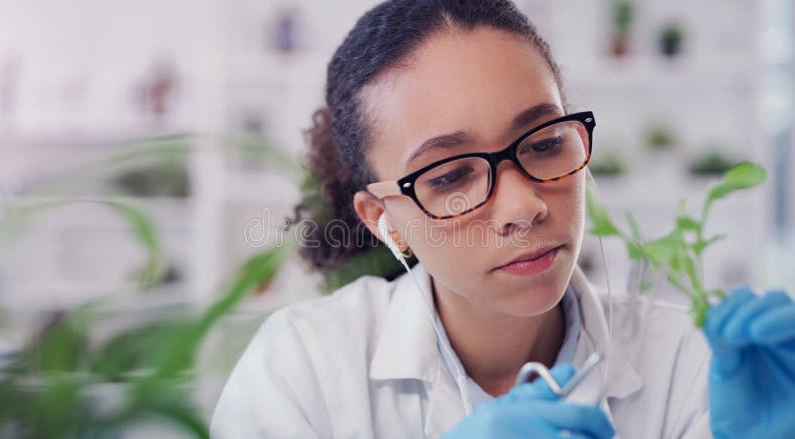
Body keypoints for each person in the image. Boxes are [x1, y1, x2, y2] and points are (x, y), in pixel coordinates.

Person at [210, 1, 795, 437]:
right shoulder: (300, 368)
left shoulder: (695, 364)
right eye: (449, 176)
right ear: (383, 221)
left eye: (543, 142)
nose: (524, 206)